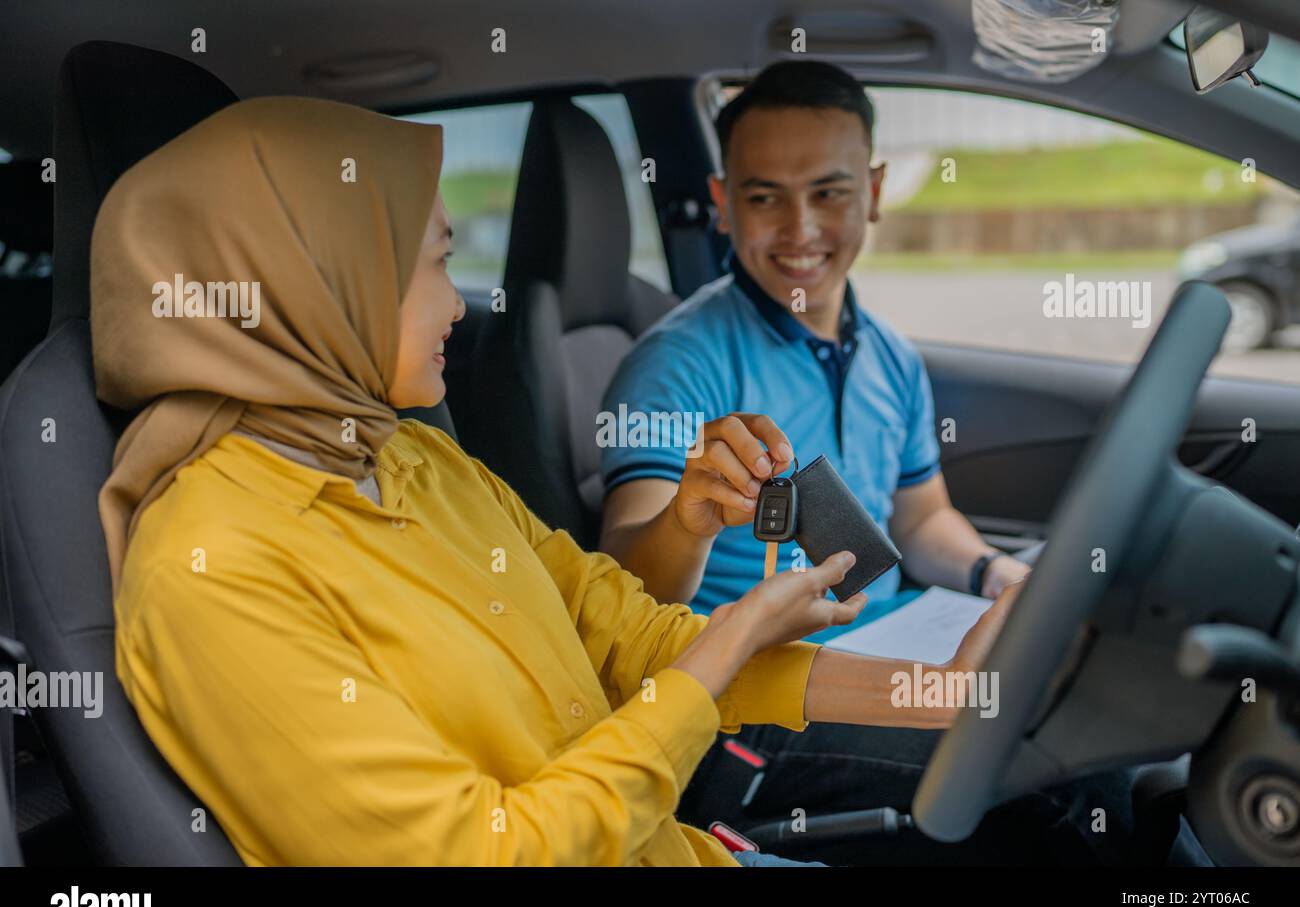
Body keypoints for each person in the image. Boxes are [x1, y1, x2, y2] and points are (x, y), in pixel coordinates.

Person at [90, 95, 1014, 866]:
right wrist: (725, 646)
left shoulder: (414, 458)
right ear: (317, 285)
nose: (459, 304)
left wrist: (934, 693)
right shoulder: (212, 572)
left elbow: (624, 631)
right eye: (436, 264)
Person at [597, 61, 1092, 842]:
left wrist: (996, 573)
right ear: (724, 204)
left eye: (829, 192)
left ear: (876, 190)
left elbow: (922, 517)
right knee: (1060, 770)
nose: (800, 230)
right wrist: (690, 522)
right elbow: (623, 586)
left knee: (1094, 697)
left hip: (892, 647)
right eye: (765, 198)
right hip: (751, 701)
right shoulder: (674, 365)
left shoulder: (889, 353)